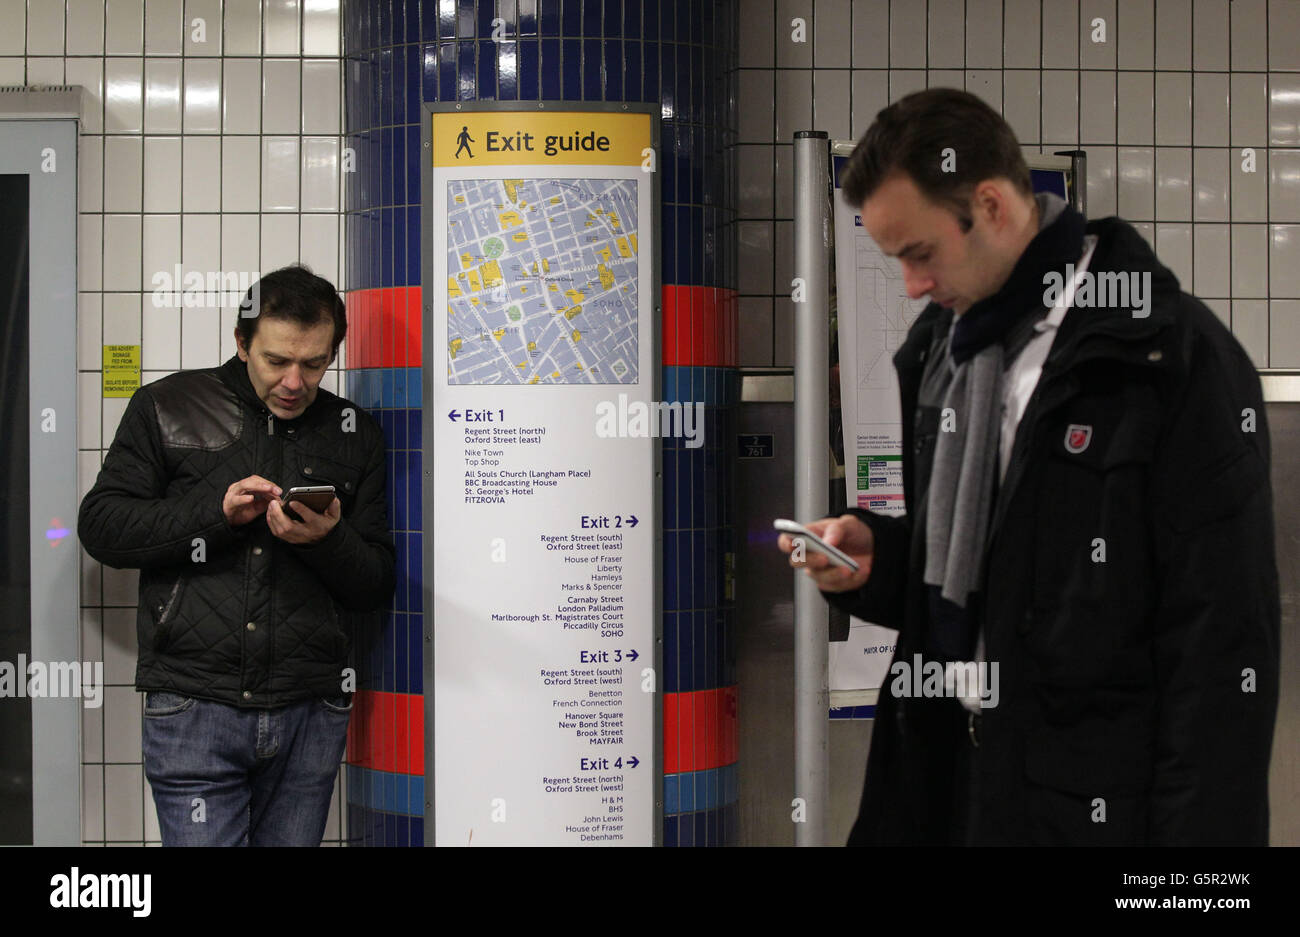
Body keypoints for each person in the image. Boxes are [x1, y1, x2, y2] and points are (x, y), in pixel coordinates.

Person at [779, 88, 1280, 845]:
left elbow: (1220, 657)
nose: (912, 285)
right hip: (949, 785)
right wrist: (884, 561)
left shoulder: (1168, 360)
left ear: (991, 205)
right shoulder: (943, 356)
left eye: (919, 253)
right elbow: (995, 565)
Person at [78, 264, 396, 846]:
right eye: (277, 361)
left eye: (315, 363)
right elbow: (102, 528)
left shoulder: (354, 432)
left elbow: (375, 584)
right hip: (195, 703)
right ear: (242, 342)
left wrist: (328, 542)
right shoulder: (166, 406)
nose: (296, 382)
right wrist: (213, 516)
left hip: (310, 708)